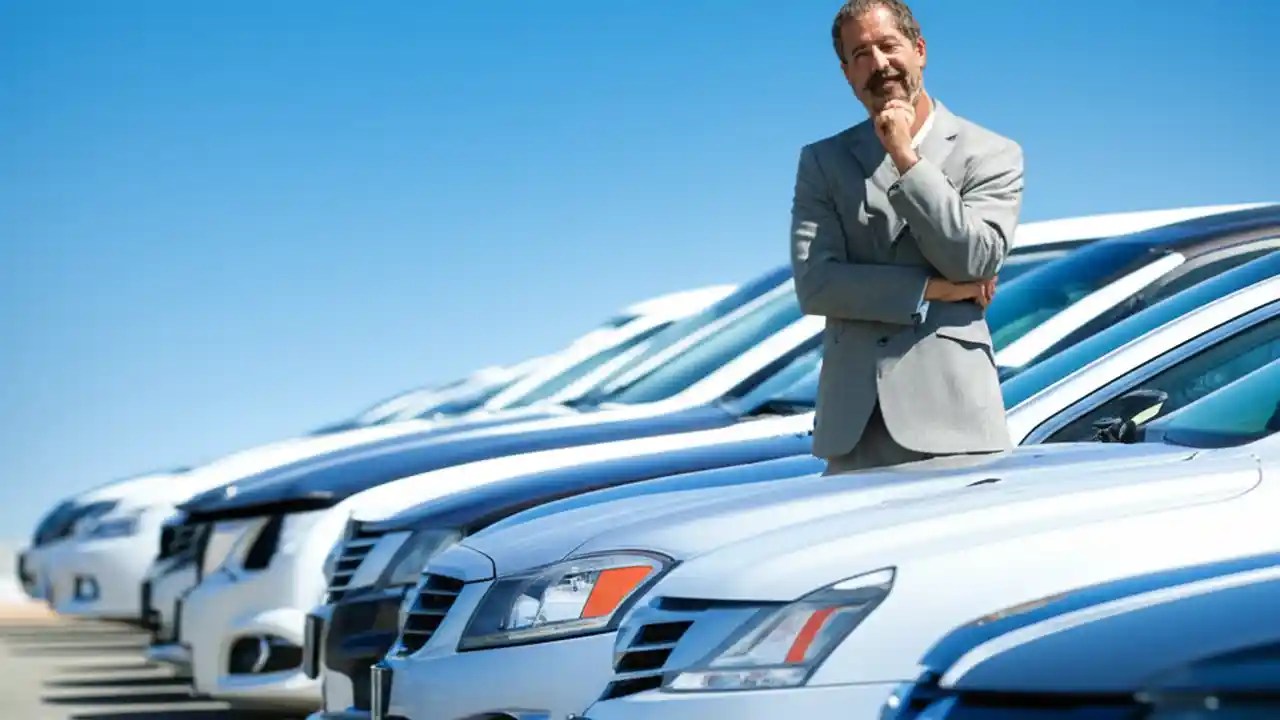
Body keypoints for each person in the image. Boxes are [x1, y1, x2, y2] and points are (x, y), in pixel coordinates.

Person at [790, 0, 1023, 474]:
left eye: (888, 46)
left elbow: (974, 261)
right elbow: (817, 285)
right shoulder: (822, 162)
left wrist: (904, 157)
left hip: (956, 420)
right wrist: (932, 289)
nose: (878, 64)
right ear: (847, 74)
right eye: (861, 54)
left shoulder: (992, 153)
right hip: (854, 426)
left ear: (919, 50)